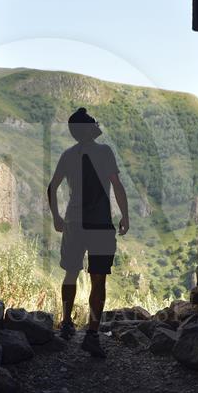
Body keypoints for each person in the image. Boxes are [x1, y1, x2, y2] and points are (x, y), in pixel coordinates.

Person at [46, 107, 130, 358]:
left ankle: (67, 323)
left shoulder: (67, 155)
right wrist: (125, 216)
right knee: (99, 279)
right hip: (100, 224)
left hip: (74, 222)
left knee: (71, 272)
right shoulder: (104, 151)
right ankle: (92, 335)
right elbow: (116, 185)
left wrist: (57, 217)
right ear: (88, 130)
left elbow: (52, 188)